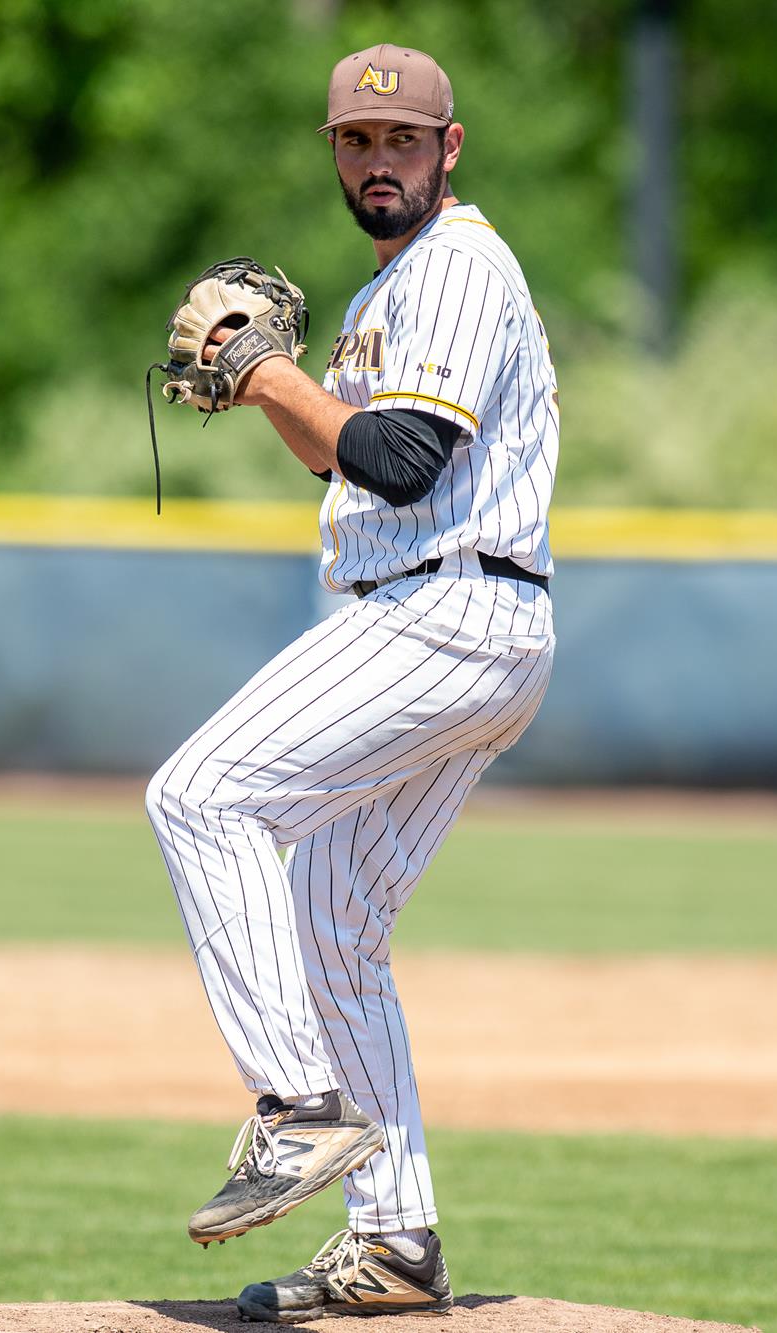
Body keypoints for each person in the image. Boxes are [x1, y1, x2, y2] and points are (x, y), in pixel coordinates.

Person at [145, 40, 559, 1325]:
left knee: (201, 796)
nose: (378, 163)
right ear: (336, 153)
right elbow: (342, 457)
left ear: (448, 149)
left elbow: (396, 462)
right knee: (330, 922)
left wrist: (261, 367)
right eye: (355, 143)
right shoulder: (402, 285)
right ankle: (395, 1247)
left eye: (401, 142)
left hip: (444, 611)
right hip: (475, 622)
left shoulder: (454, 267)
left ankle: (297, 1108)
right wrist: (266, 388)